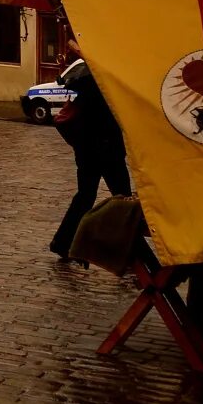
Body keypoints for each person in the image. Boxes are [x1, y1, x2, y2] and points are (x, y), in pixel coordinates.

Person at [47, 36, 131, 261]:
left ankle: (62, 242)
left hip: (87, 150)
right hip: (107, 149)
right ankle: (129, 252)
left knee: (86, 196)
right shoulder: (103, 82)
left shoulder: (85, 79)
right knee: (123, 200)